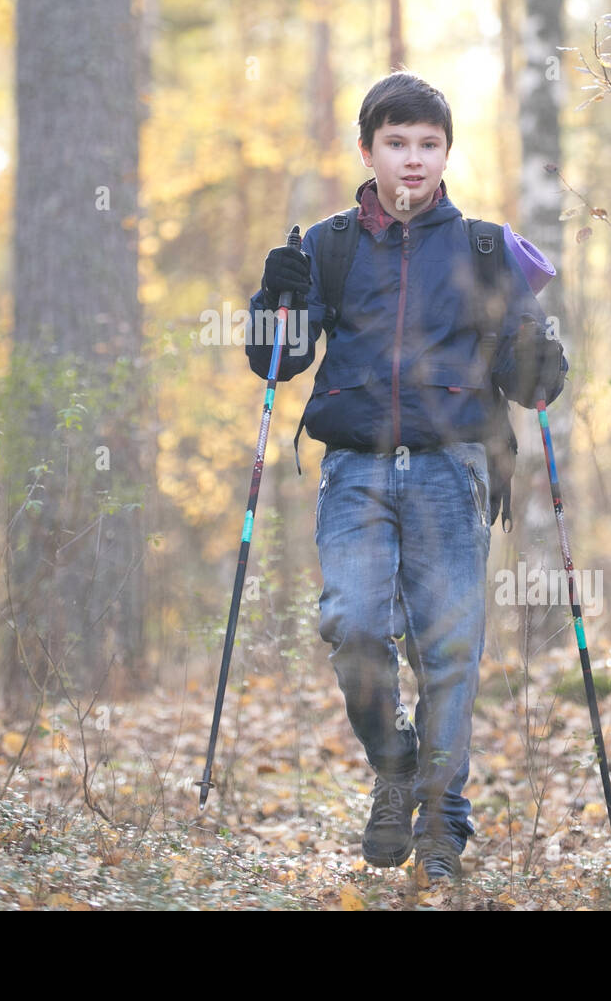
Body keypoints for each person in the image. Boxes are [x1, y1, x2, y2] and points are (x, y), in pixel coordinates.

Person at [245, 70, 567, 887]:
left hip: (452, 470)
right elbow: (276, 362)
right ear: (368, 149)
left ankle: (442, 828)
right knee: (354, 623)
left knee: (450, 653)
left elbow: (531, 381)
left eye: (428, 144)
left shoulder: (485, 249)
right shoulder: (327, 246)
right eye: (397, 143)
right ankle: (394, 766)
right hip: (355, 468)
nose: (414, 160)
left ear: (446, 152)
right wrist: (272, 298)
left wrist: (541, 357)